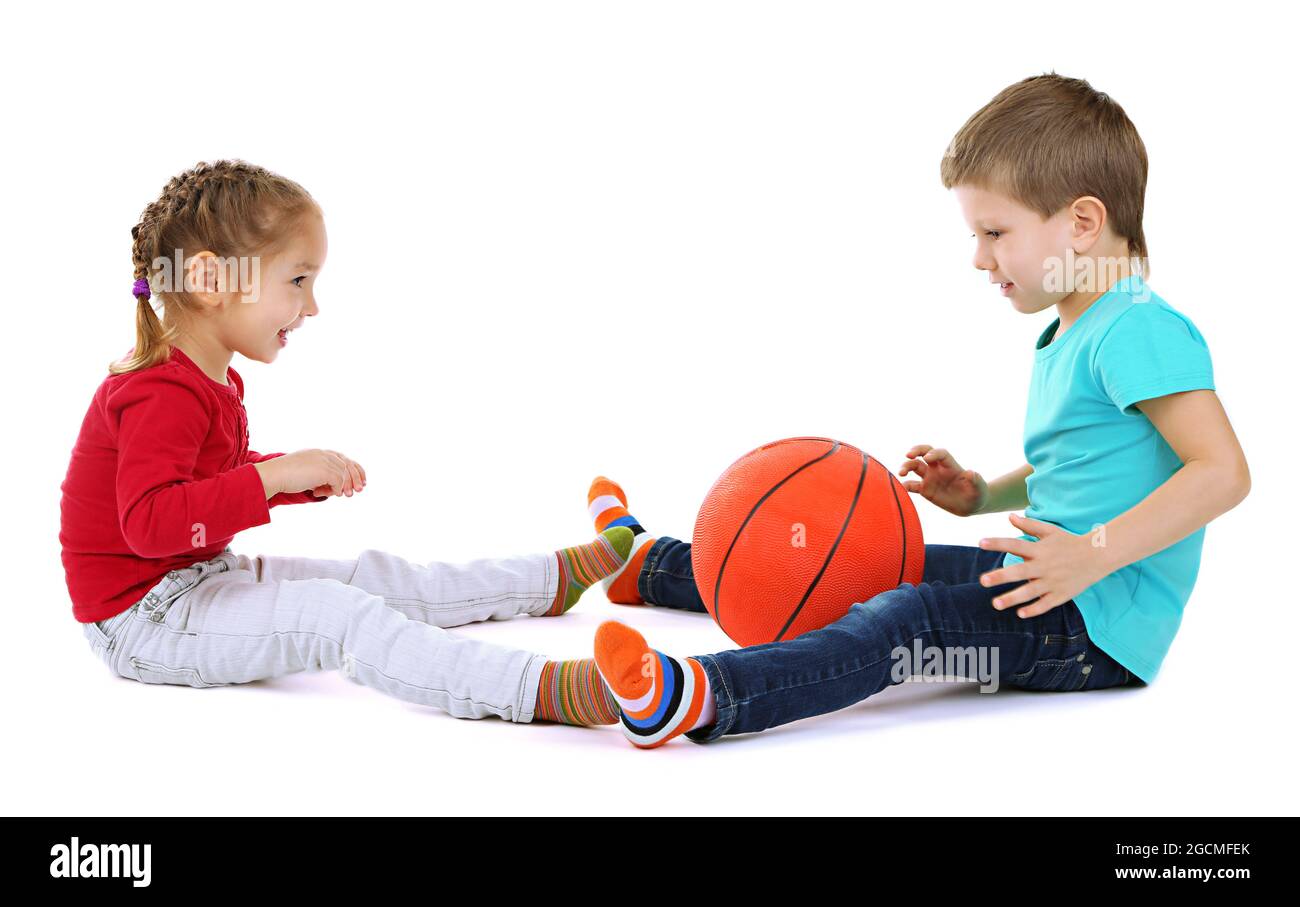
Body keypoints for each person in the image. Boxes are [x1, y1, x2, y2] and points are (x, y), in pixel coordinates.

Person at [585, 73, 1251, 748]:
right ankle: (648, 565)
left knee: (908, 618)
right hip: (1051, 580)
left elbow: (1222, 471)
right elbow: (1090, 463)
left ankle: (699, 696)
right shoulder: (1085, 326)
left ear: (1082, 222)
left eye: (995, 231)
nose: (979, 257)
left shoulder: (1140, 328)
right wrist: (984, 492)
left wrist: (1090, 554)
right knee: (858, 559)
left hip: (1093, 630)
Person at [61, 160, 632, 728]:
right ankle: (540, 689)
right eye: (297, 280)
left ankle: (549, 581)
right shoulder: (159, 392)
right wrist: (273, 476)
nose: (311, 306)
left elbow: (203, 491)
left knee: (375, 577)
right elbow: (151, 524)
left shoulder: (212, 380)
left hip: (198, 579)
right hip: (142, 619)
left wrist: (287, 478)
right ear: (211, 282)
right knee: (338, 616)